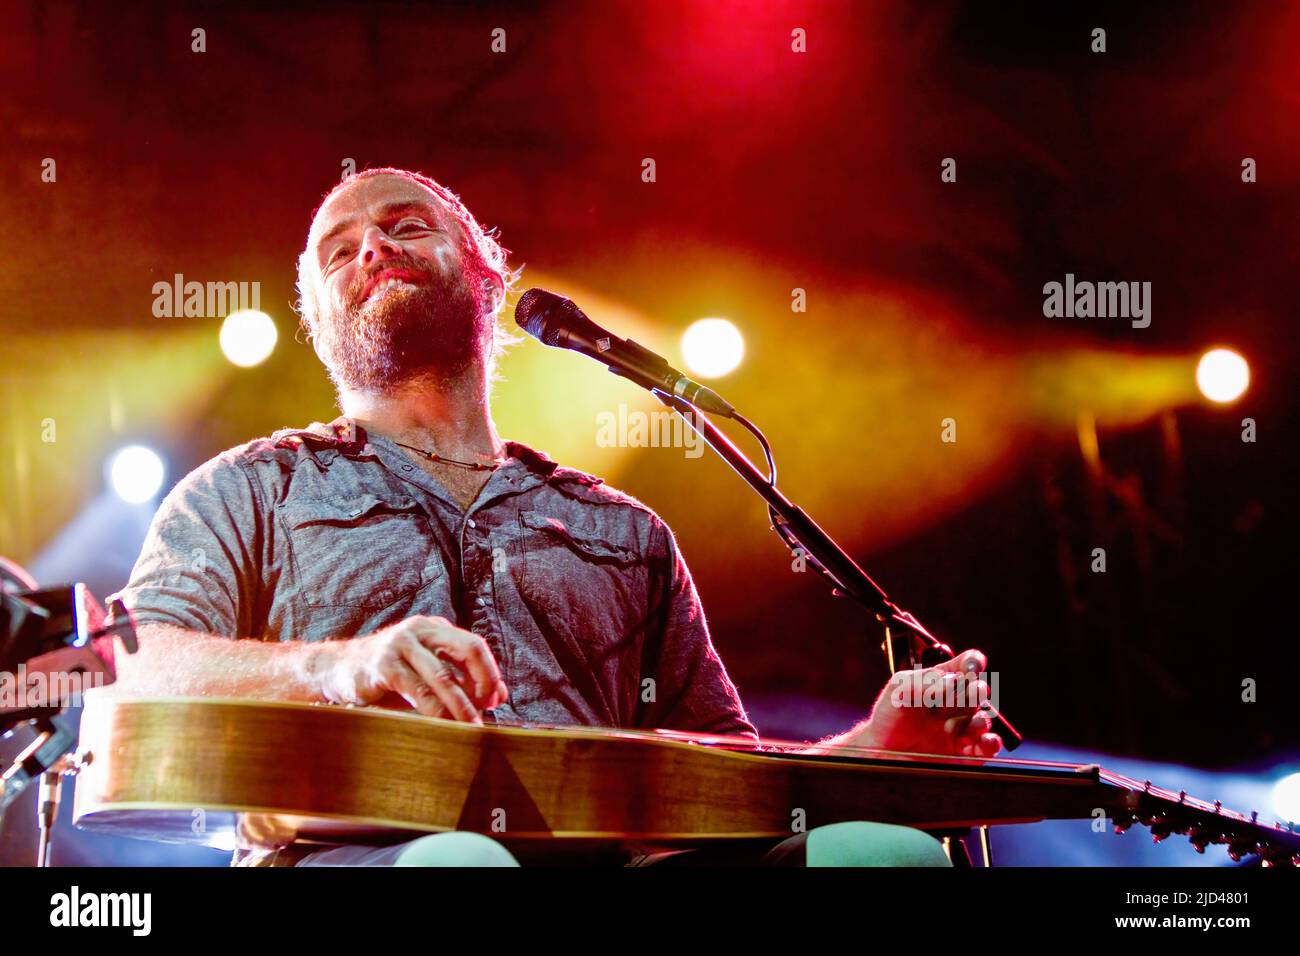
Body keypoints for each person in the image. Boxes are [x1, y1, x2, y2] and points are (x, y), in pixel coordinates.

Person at [110, 167, 1002, 867]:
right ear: (315, 319)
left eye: (405, 225)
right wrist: (341, 665)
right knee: (462, 865)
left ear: (487, 276)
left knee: (884, 854)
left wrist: (867, 748)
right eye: (338, 251)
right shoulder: (248, 489)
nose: (372, 248)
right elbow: (131, 669)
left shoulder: (623, 531)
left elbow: (717, 784)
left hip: (608, 861)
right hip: (339, 854)